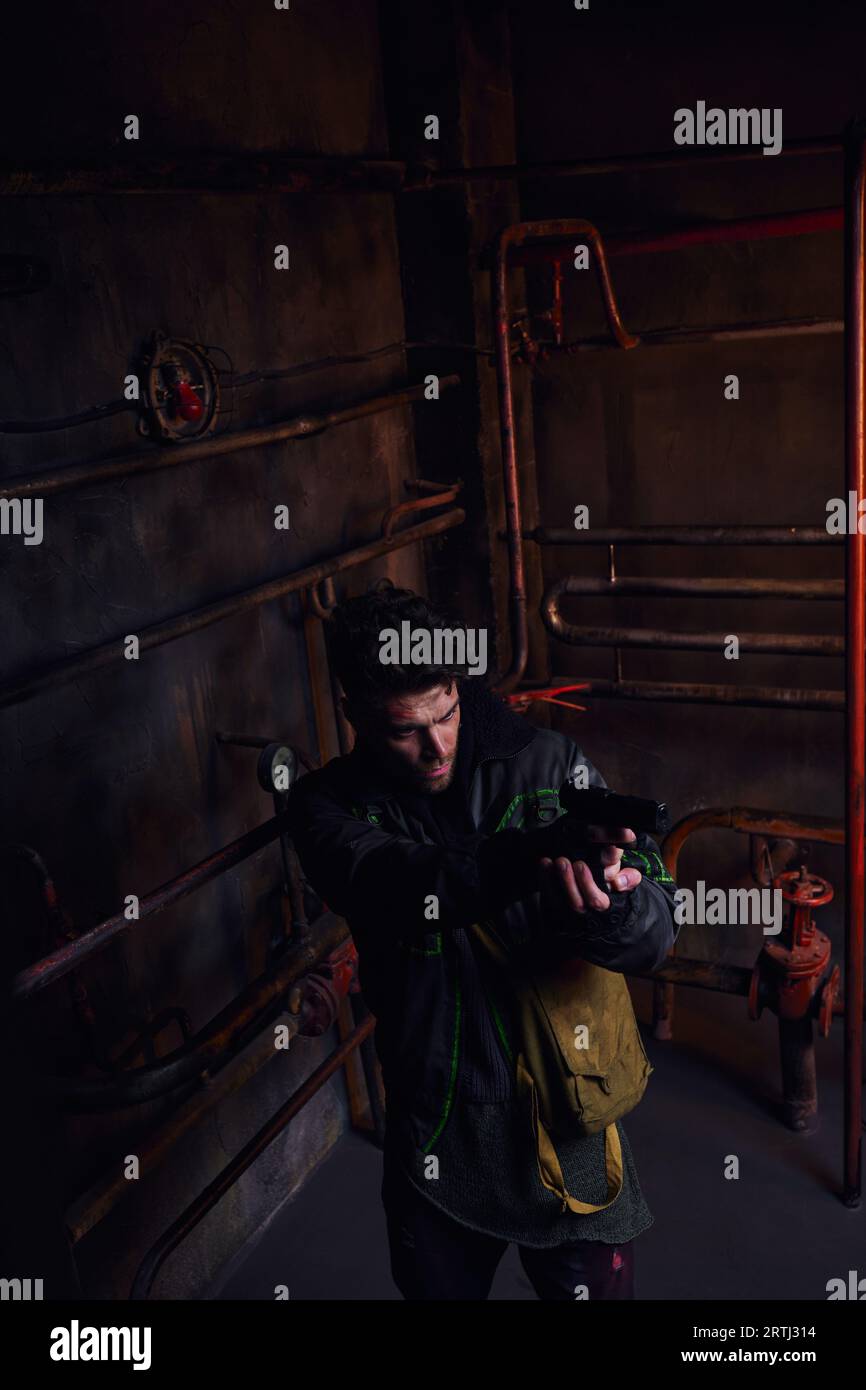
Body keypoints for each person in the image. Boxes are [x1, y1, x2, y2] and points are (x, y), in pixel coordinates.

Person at [287, 581, 679, 1301]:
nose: (435, 745)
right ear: (354, 715)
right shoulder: (325, 808)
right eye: (405, 729)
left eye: (447, 713)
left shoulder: (553, 766)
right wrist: (527, 858)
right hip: (437, 1127)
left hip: (568, 1120)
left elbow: (658, 926)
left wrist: (612, 911)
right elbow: (400, 883)